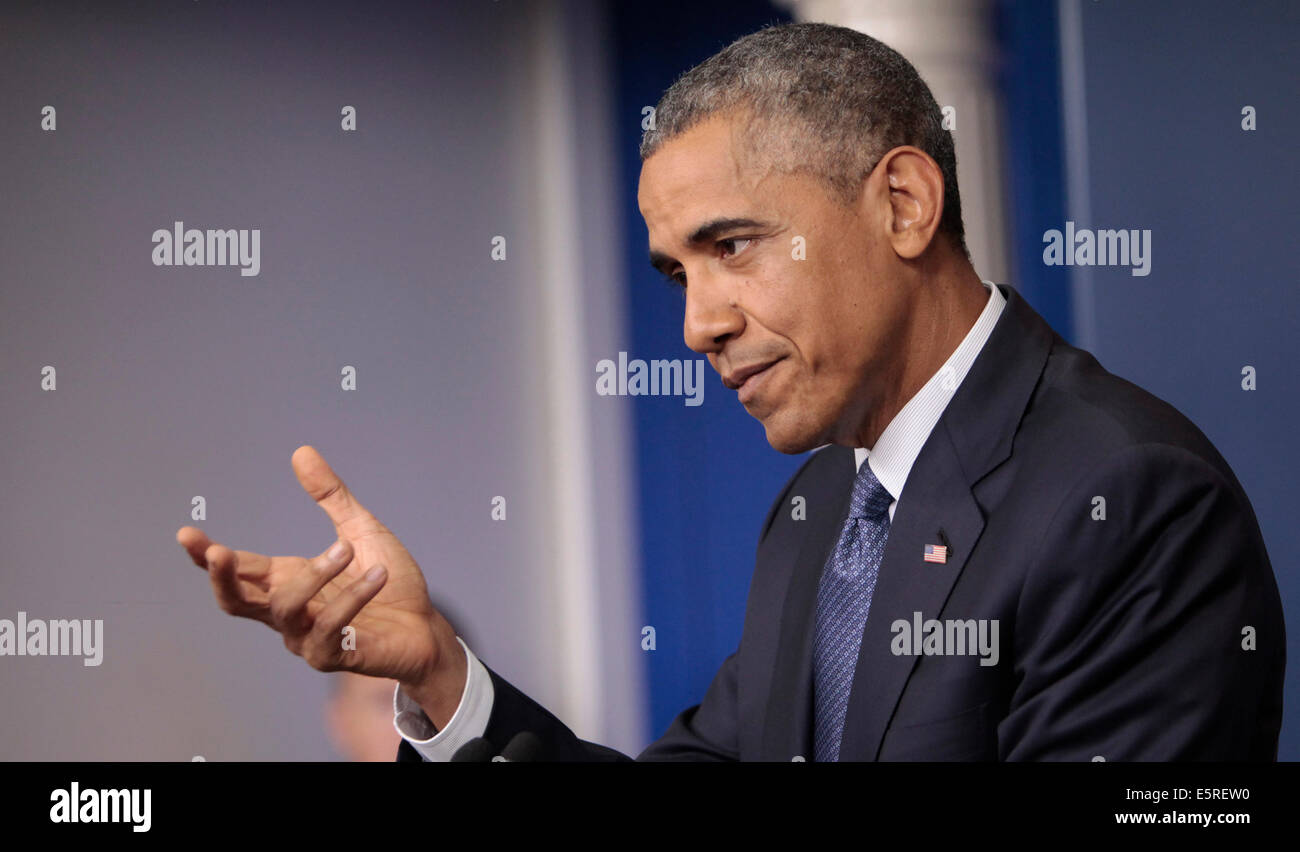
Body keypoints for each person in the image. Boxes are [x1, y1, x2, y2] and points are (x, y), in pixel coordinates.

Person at [176, 22, 1284, 761]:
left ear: (901, 202)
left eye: (733, 245)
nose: (697, 322)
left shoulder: (1131, 500)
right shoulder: (819, 516)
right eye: (677, 273)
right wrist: (441, 675)